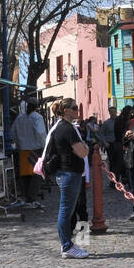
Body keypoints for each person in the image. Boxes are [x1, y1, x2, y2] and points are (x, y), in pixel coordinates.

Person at [46, 98, 90, 258]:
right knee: (66, 211)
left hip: (69, 173)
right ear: (65, 110)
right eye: (74, 108)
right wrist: (87, 147)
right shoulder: (67, 129)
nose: (77, 111)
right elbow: (82, 152)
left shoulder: (61, 127)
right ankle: (67, 246)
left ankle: (73, 243)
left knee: (70, 210)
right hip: (69, 173)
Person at [12, 100, 48, 203]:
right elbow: (40, 133)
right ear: (36, 107)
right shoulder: (37, 117)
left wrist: (18, 143)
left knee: (25, 174)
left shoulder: (20, 118)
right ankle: (31, 197)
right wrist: (43, 145)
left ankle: (26, 195)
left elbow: (13, 131)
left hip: (23, 149)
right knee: (36, 174)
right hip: (35, 149)